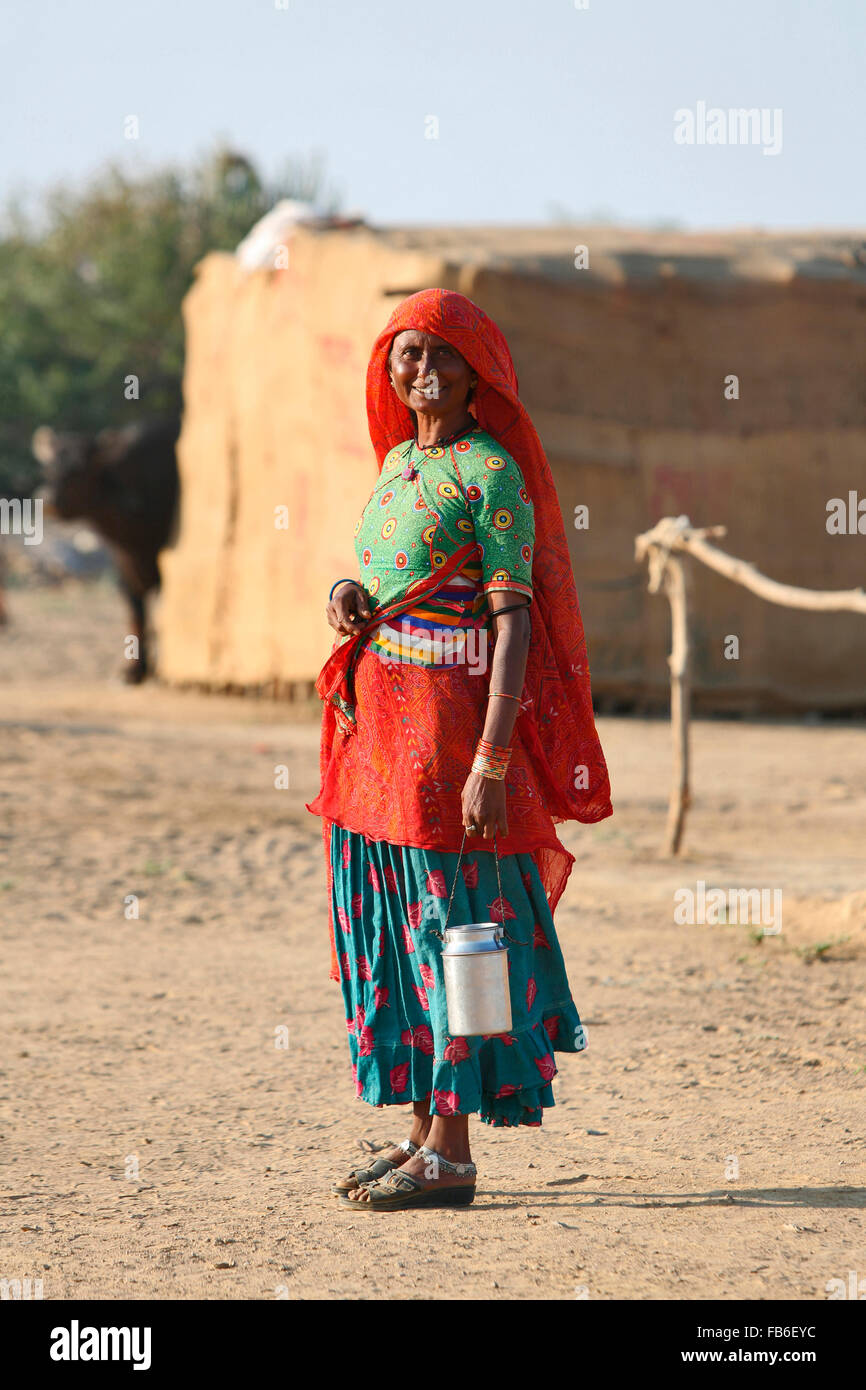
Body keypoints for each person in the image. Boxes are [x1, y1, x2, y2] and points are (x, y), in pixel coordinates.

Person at [306, 288, 612, 1212]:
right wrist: (350, 593)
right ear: (389, 372)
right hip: (381, 736)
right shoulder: (399, 463)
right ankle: (418, 1133)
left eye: (442, 358)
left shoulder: (491, 474)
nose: (424, 373)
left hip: (449, 736)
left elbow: (513, 622)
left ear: (478, 376)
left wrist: (490, 760)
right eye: (408, 358)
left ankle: (454, 1152)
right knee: (395, 927)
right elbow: (403, 574)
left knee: (453, 930)